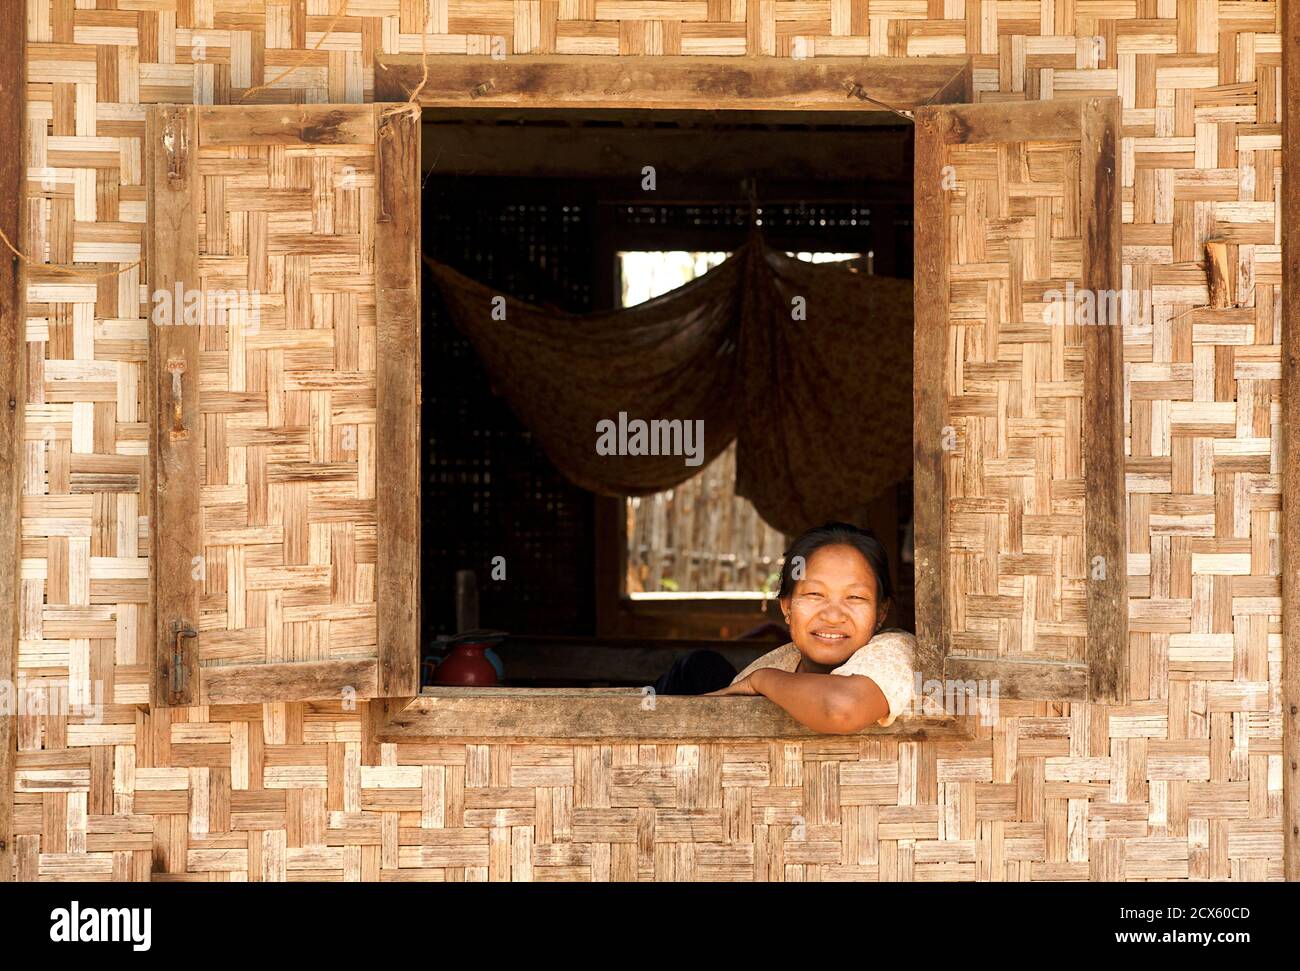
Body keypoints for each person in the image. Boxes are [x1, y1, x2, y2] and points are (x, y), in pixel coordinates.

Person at [652, 521, 916, 733]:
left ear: (881, 612)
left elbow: (840, 709)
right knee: (698, 666)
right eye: (814, 594)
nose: (834, 616)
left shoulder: (895, 650)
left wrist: (762, 680)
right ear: (787, 607)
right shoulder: (775, 664)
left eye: (855, 598)